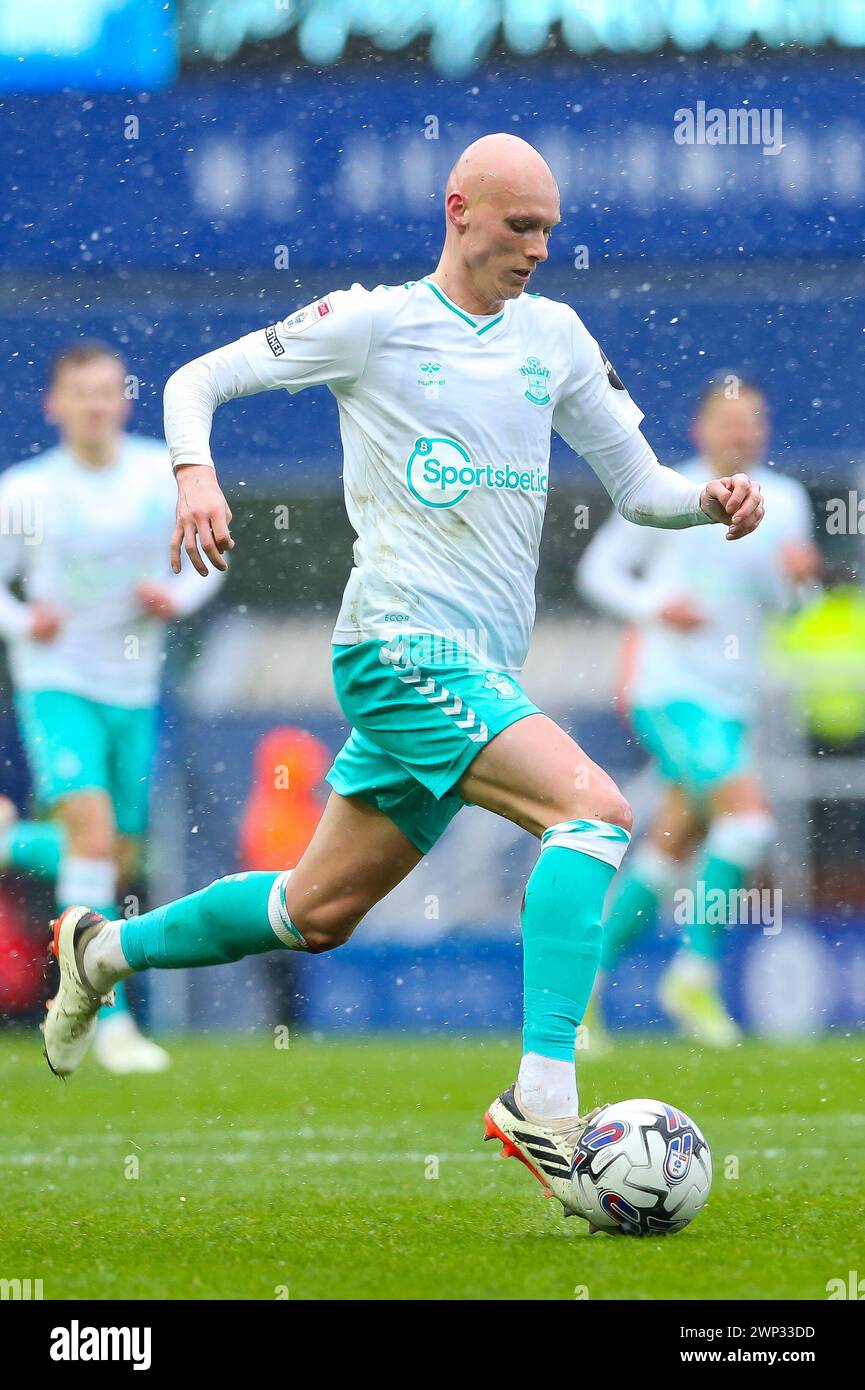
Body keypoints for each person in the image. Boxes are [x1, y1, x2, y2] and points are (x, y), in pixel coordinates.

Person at [42, 135, 763, 1218]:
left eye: (549, 231)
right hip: (396, 650)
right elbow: (198, 380)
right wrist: (195, 474)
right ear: (457, 207)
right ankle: (543, 1100)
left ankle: (100, 950)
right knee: (594, 813)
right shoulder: (372, 322)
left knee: (312, 910)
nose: (536, 249)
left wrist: (704, 501)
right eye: (518, 226)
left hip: (471, 669)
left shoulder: (554, 337)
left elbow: (639, 483)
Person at [0, 342, 224, 1072]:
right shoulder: (27, 490)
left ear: (124, 400)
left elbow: (211, 553)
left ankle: (8, 844)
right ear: (54, 404)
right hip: (56, 682)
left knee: (120, 855)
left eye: (106, 391)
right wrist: (25, 620)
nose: (95, 404)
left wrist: (176, 595)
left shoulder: (159, 473)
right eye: (80, 392)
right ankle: (111, 1021)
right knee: (93, 838)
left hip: (136, 689)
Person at [577, 376, 820, 1047]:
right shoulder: (667, 491)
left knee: (668, 850)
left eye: (753, 422)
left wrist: (798, 582)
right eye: (728, 422)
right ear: (699, 429)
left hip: (733, 699)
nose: (741, 433)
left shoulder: (788, 500)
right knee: (746, 822)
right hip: (669, 691)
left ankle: (582, 986)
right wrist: (655, 608)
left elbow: (789, 606)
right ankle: (693, 971)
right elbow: (597, 572)